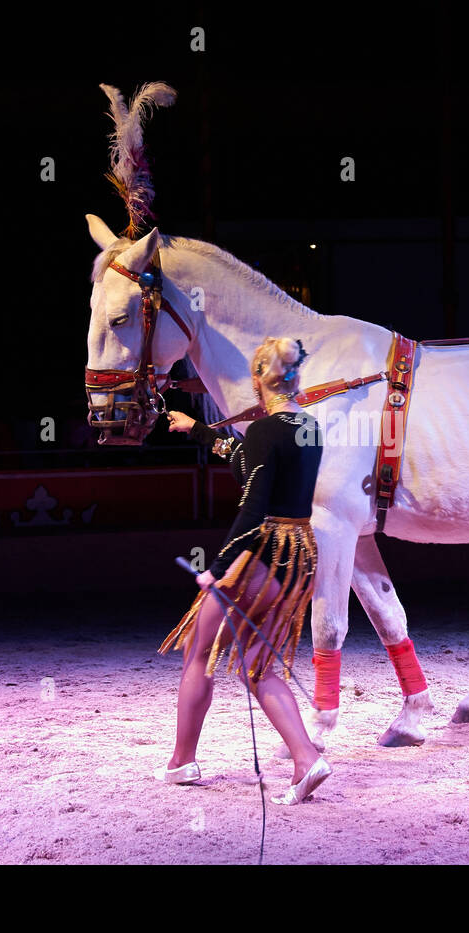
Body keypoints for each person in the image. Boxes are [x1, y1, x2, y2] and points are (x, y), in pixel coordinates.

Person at [156, 335, 330, 805]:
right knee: (257, 667)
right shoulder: (309, 427)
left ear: (257, 379)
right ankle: (305, 758)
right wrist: (198, 430)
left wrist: (216, 568)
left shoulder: (262, 432)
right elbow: (255, 467)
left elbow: (252, 505)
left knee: (198, 653)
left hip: (259, 552)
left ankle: (181, 762)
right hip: (298, 555)